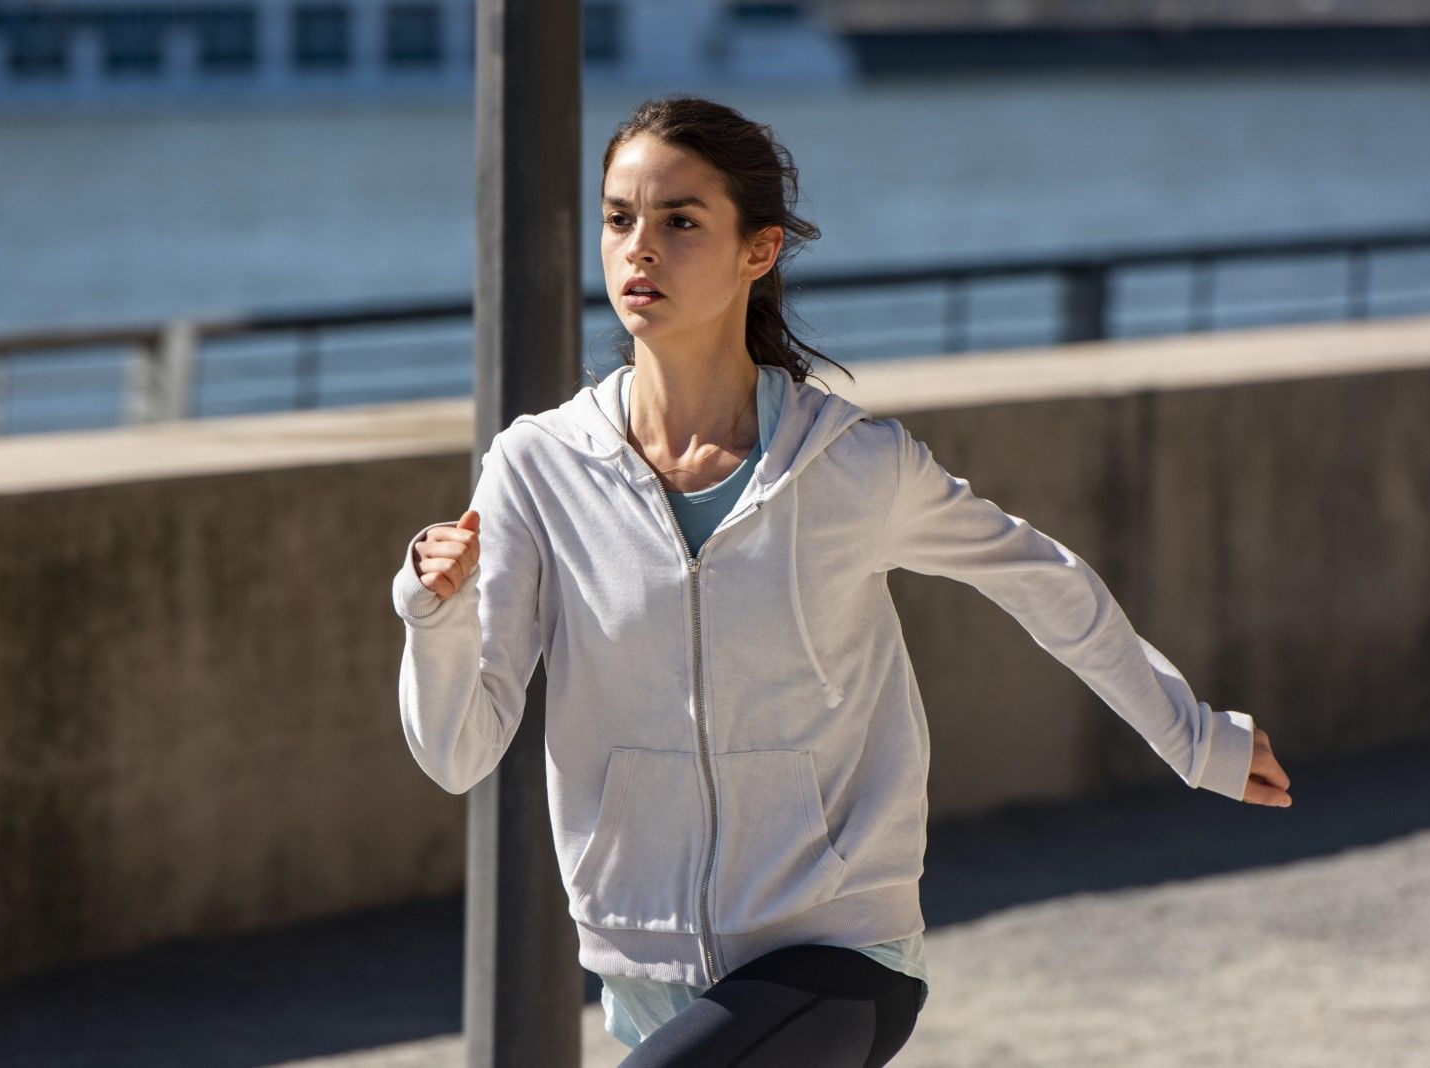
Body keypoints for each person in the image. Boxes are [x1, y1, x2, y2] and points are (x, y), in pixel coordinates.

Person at [391, 95, 1293, 1067]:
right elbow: (458, 752)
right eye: (618, 219)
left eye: (679, 221)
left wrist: (1193, 736)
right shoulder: (539, 468)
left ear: (758, 251)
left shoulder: (851, 466)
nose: (637, 249)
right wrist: (433, 617)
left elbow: (1038, 576)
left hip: (836, 946)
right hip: (642, 960)